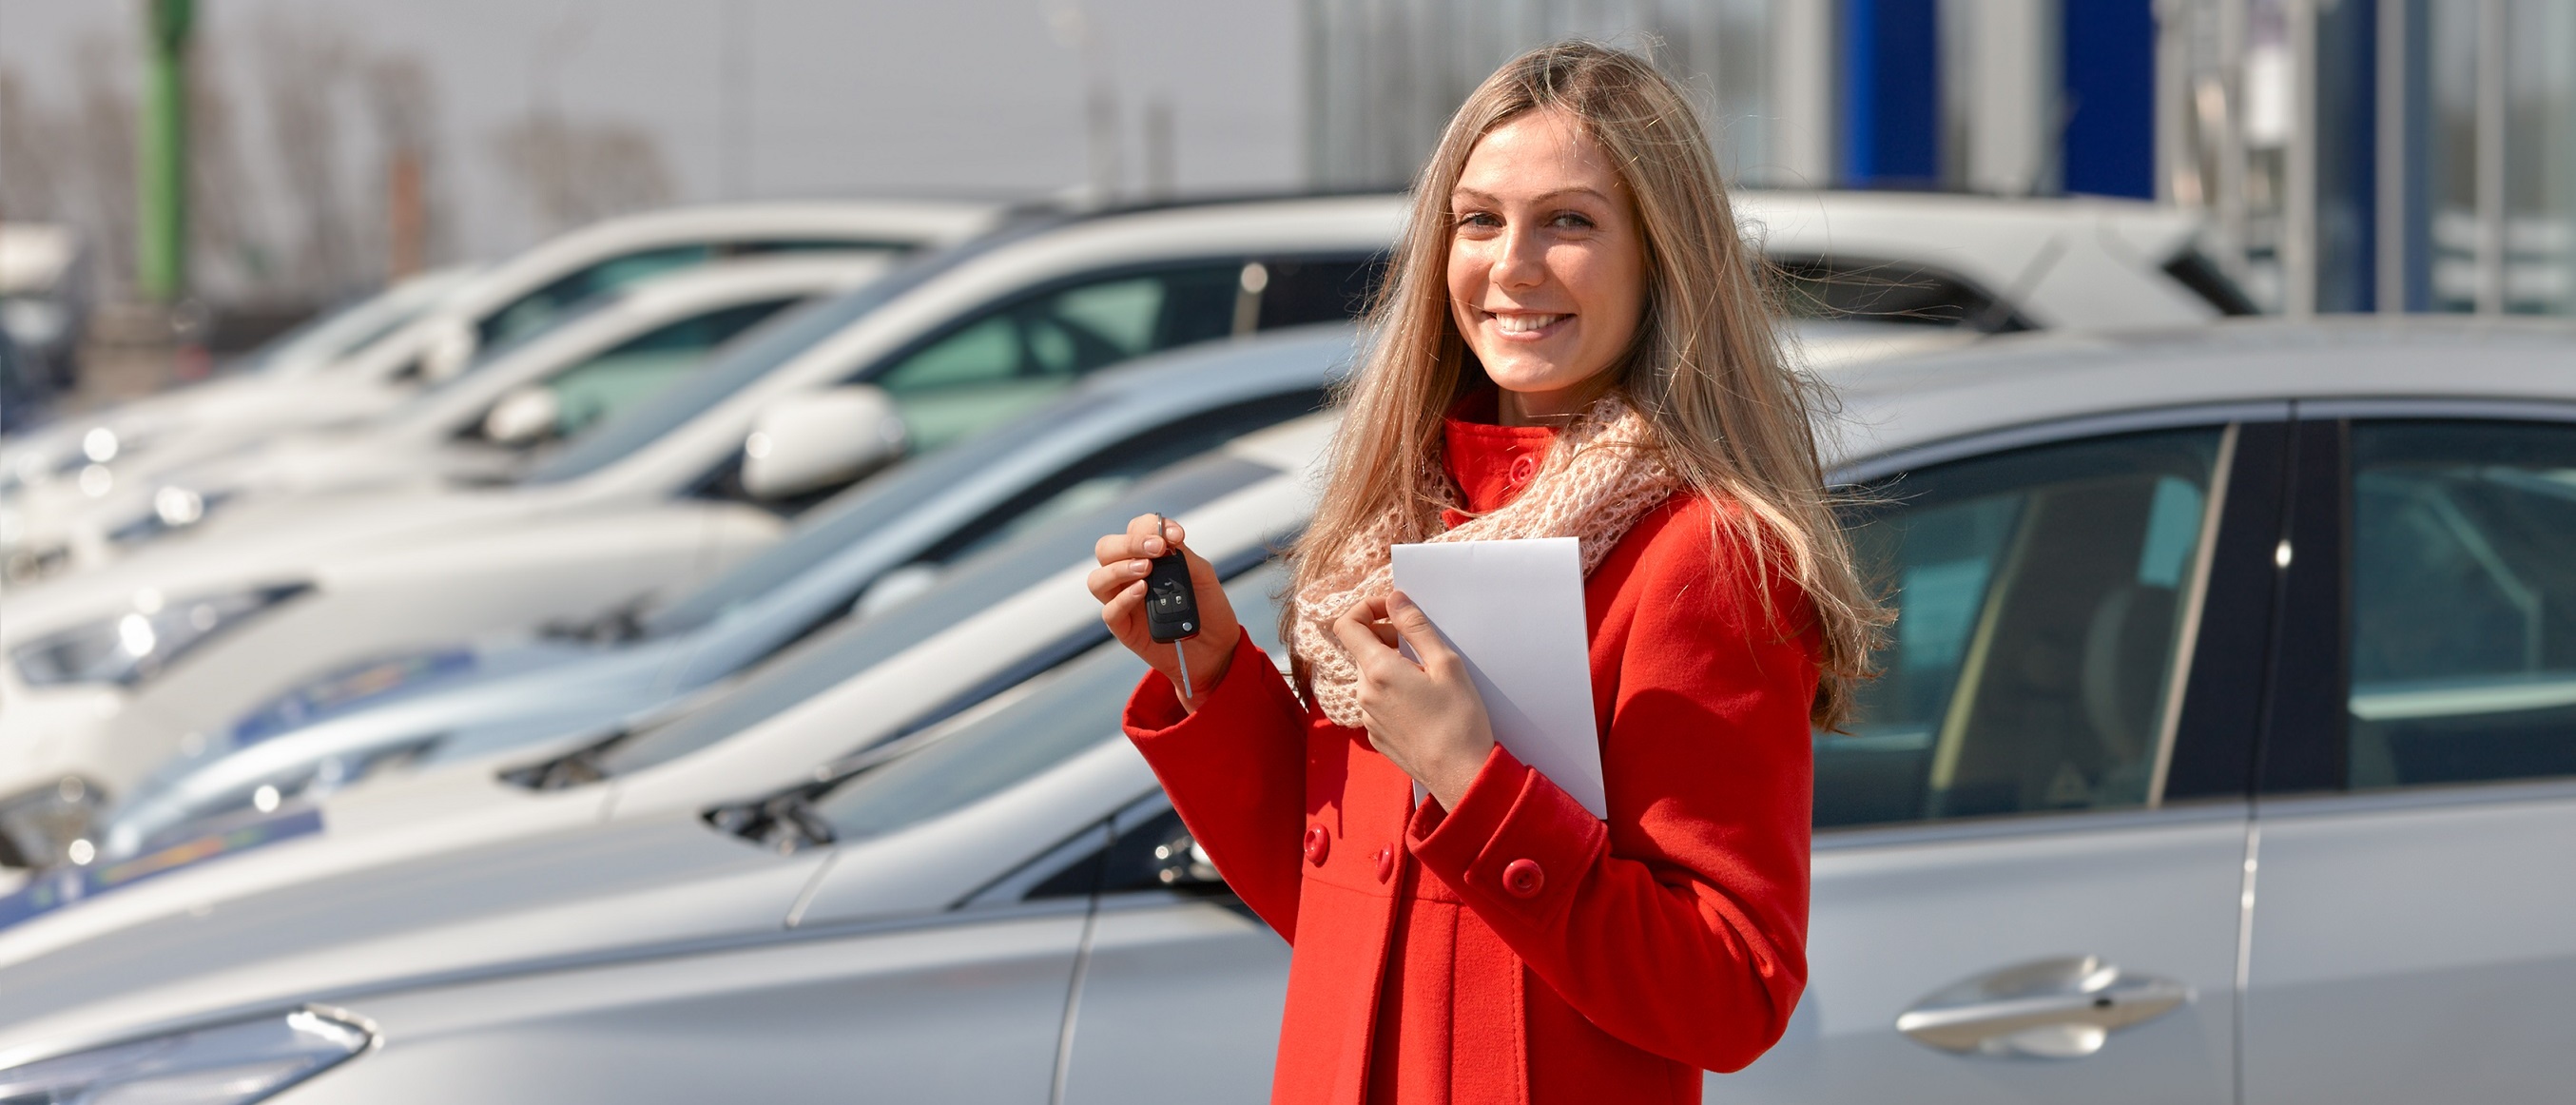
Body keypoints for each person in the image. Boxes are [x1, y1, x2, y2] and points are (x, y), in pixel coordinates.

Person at [1086, 42, 1883, 1105]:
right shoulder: (1397, 522)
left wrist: (1474, 780)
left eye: (1570, 221)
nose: (1512, 264)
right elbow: (1341, 909)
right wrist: (1217, 672)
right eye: (1480, 220)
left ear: (1662, 254)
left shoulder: (1704, 552)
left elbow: (1735, 989)